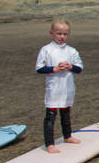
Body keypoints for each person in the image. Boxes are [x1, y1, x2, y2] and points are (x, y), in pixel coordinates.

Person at [35, 19, 83, 153]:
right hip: (53, 88)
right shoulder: (46, 50)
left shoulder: (72, 51)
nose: (62, 37)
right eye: (59, 33)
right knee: (50, 115)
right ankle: (49, 144)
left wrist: (70, 66)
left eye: (65, 34)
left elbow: (79, 69)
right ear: (51, 33)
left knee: (66, 113)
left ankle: (67, 136)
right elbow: (39, 68)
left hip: (67, 88)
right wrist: (54, 69)